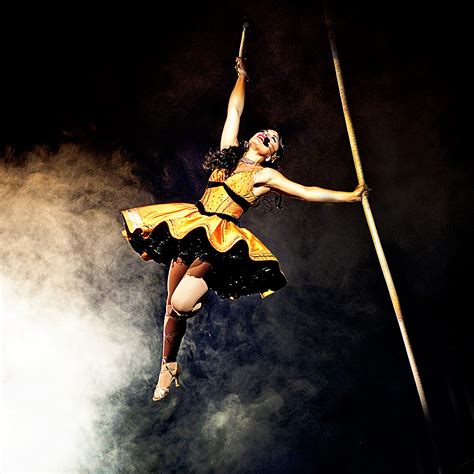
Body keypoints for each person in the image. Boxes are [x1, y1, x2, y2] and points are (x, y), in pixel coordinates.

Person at [120, 57, 369, 401]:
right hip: (192, 225)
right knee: (170, 309)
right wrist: (242, 77)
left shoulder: (264, 176)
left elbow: (305, 192)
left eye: (273, 141)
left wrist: (350, 197)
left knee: (180, 304)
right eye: (265, 132)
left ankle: (193, 303)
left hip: (220, 239)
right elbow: (234, 112)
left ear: (271, 156)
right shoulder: (227, 156)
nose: (266, 136)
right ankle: (168, 367)